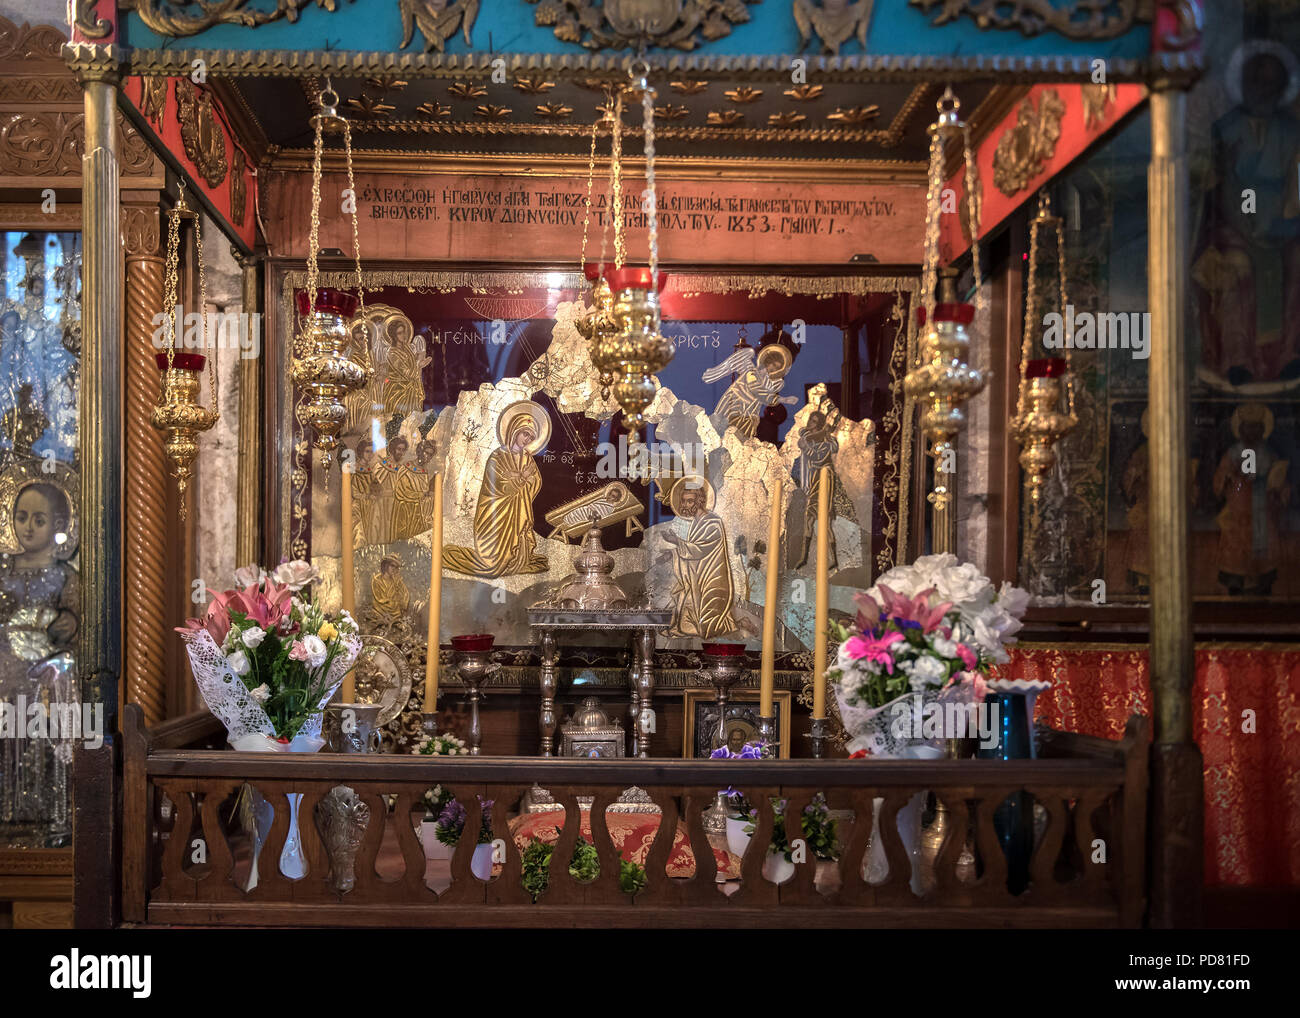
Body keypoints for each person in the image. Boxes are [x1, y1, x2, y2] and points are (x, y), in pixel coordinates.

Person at [443, 403, 550, 578]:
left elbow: (535, 482)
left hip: (519, 509)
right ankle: (497, 557)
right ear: (515, 431)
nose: (527, 439)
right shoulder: (497, 456)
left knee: (523, 557)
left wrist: (527, 479)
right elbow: (498, 485)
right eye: (525, 434)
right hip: (497, 513)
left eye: (531, 437)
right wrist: (521, 477)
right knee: (493, 566)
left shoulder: (528, 459)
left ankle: (517, 559)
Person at [663, 479, 736, 639]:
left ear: (700, 501)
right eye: (683, 501)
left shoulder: (713, 523)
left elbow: (700, 550)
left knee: (707, 626)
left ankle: (739, 624)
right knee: (682, 612)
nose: (685, 505)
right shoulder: (697, 522)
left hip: (711, 580)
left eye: (690, 501)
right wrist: (673, 553)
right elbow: (693, 551)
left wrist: (676, 541)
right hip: (698, 578)